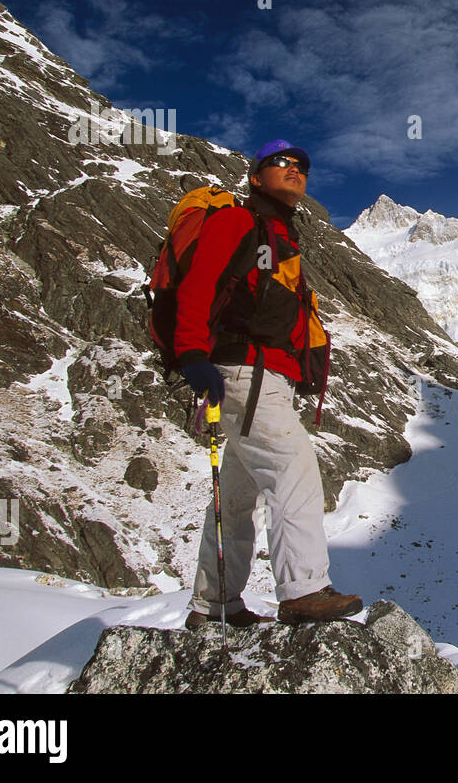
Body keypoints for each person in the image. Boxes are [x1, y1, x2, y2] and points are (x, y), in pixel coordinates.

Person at [176, 139, 362, 628]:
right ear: (255, 177)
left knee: (237, 499)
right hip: (245, 372)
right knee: (294, 471)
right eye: (281, 163)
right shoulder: (239, 222)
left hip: (262, 376)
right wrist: (192, 353)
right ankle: (303, 590)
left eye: (301, 165)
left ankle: (214, 605)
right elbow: (199, 283)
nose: (295, 170)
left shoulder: (281, 242)